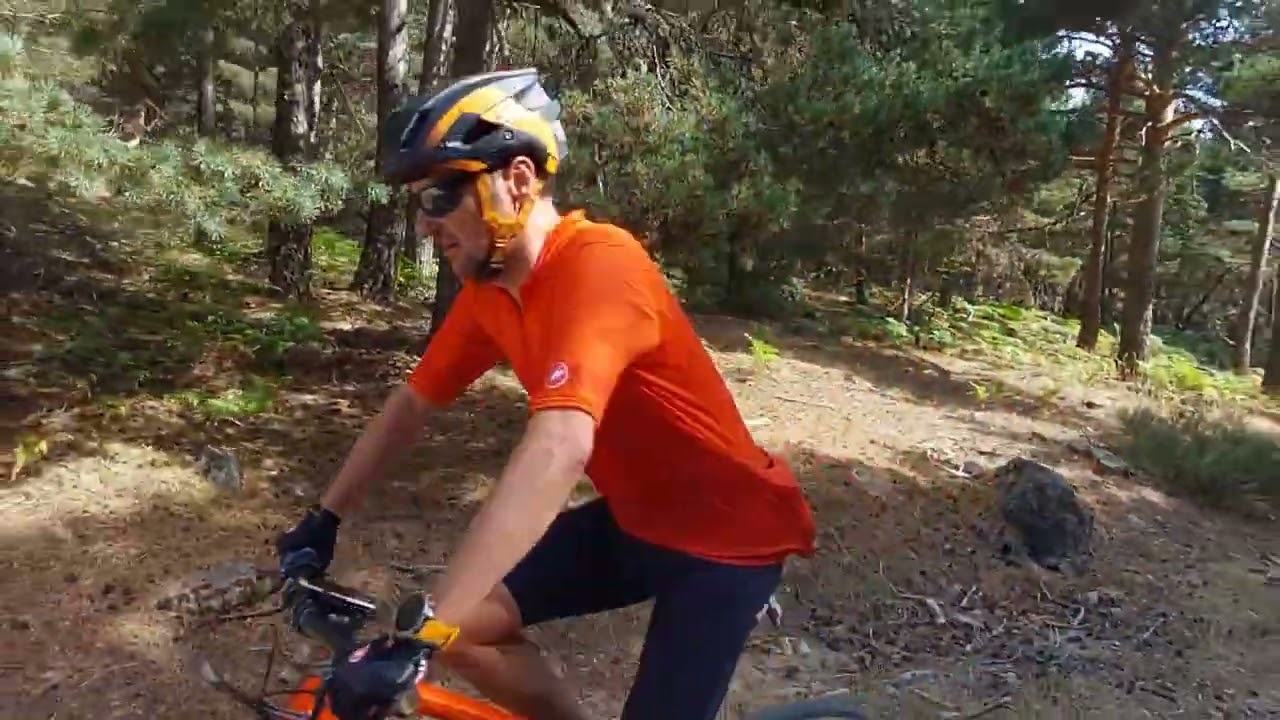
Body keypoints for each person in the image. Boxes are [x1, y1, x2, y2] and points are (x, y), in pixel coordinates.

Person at [275, 67, 817, 720]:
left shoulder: (600, 264)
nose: (425, 224)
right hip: (637, 518)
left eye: (441, 197)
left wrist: (421, 635)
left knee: (440, 624)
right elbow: (412, 404)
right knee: (464, 624)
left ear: (519, 180)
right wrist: (324, 518)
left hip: (729, 539)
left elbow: (559, 443)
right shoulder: (491, 292)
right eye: (419, 203)